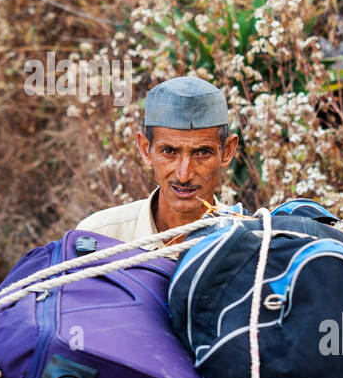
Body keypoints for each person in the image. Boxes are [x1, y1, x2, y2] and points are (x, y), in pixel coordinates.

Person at [76, 75, 240, 249]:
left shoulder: (249, 243)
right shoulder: (100, 236)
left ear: (227, 151)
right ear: (146, 149)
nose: (184, 175)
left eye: (202, 152)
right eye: (169, 152)